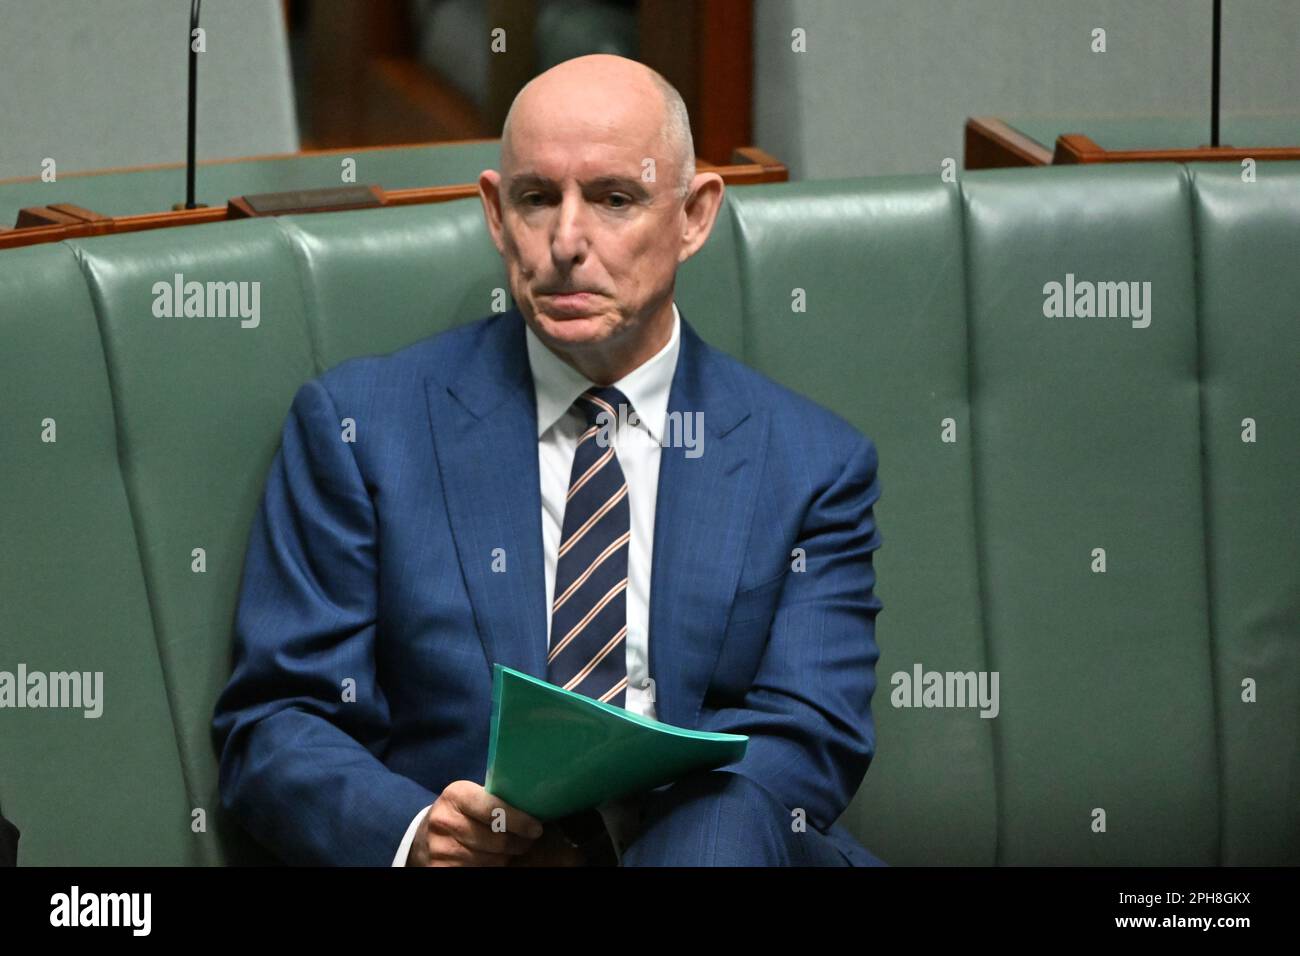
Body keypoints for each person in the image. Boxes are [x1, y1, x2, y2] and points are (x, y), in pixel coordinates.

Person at [212, 53, 884, 867]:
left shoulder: (812, 462)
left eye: (614, 199)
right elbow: (278, 722)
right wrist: (417, 832)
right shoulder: (359, 429)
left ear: (695, 215)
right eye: (537, 200)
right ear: (497, 214)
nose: (567, 242)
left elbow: (812, 733)